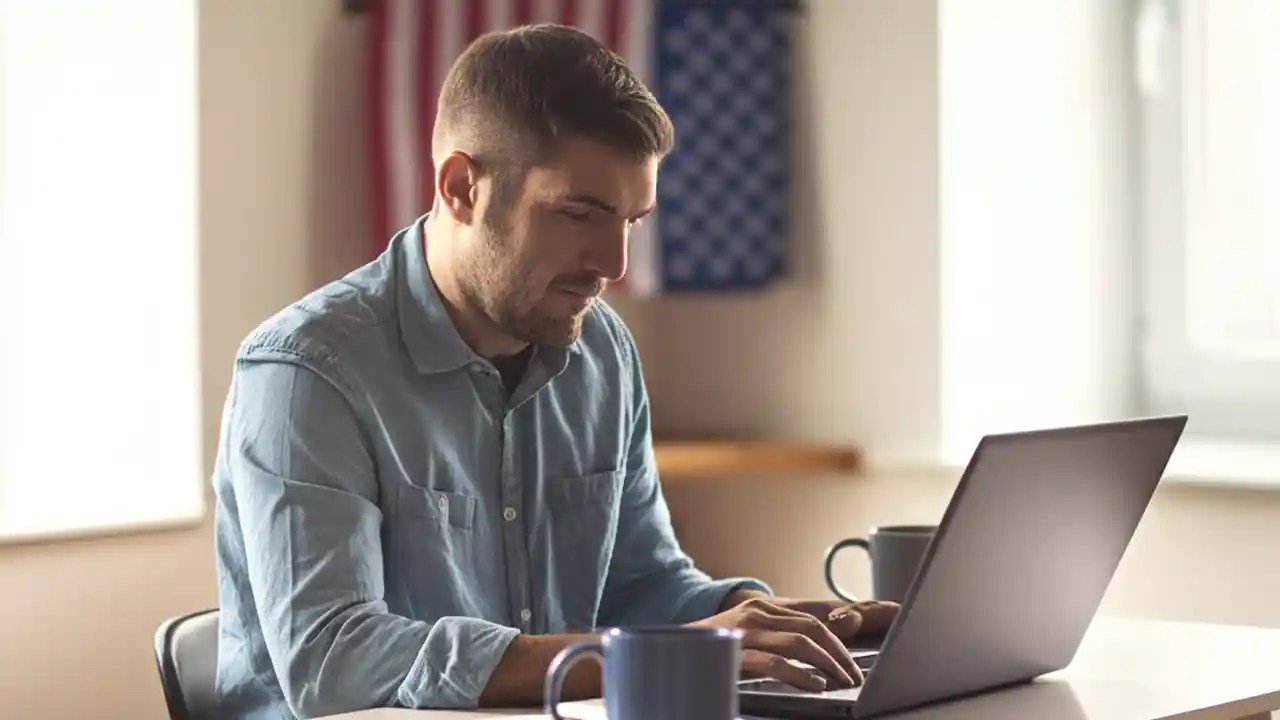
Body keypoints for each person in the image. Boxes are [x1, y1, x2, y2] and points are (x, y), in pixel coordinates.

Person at [212, 23, 896, 719]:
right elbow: (334, 660)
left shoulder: (604, 353)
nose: (614, 265)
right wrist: (666, 654)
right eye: (580, 213)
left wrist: (759, 622)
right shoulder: (307, 372)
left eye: (632, 221)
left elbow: (640, 583)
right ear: (460, 187)